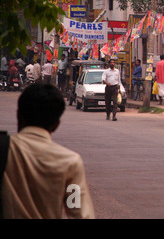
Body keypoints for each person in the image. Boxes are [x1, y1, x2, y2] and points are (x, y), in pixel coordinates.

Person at [1, 84, 95, 218]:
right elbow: (80, 213)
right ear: (56, 125)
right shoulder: (70, 162)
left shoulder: (5, 148)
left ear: (18, 115)